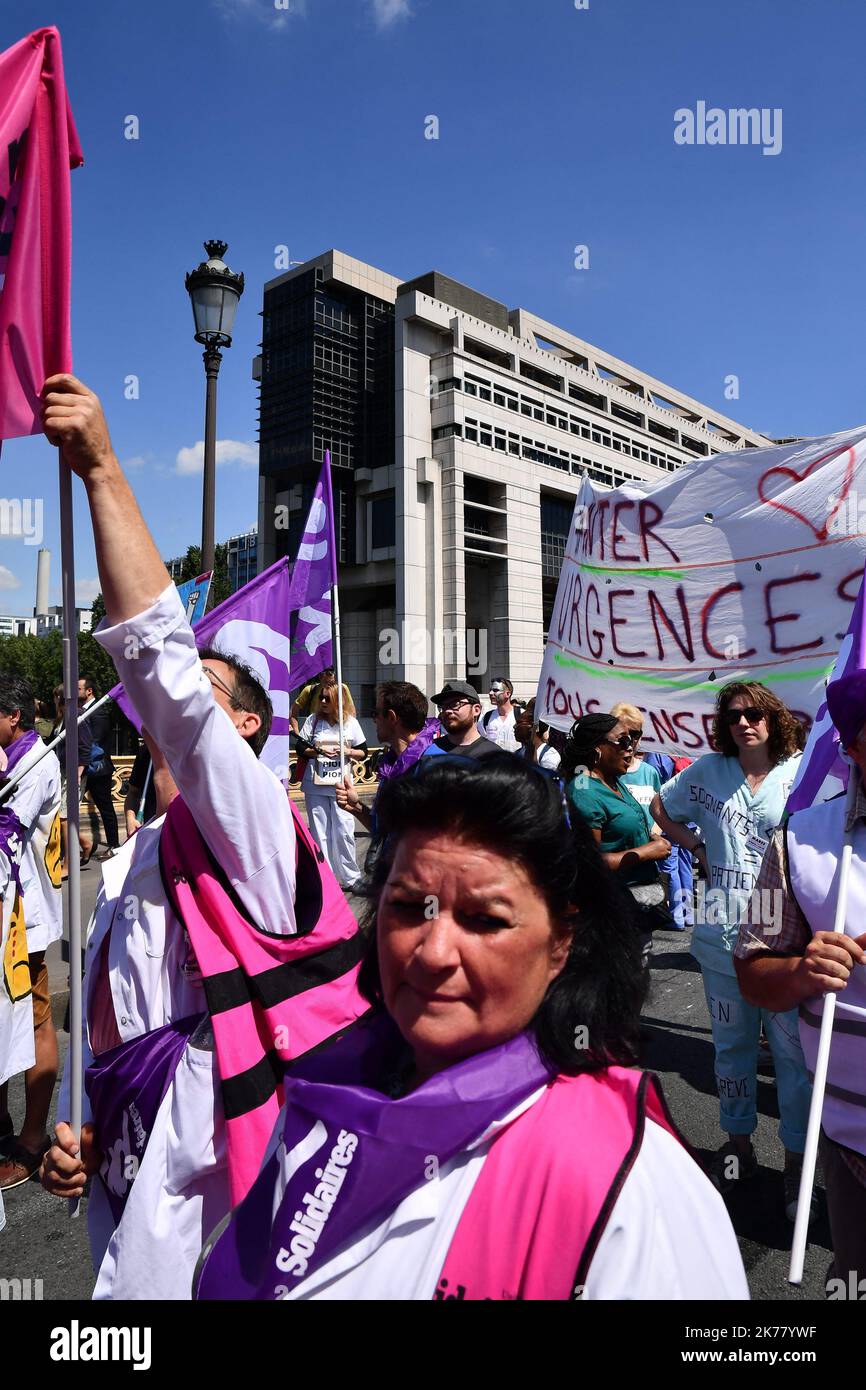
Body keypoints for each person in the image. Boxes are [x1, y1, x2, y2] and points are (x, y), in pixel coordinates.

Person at [37, 373, 369, 1300]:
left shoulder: (258, 829)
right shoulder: (138, 851)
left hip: (237, 1223)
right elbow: (127, 1034)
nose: (170, 710)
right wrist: (86, 1133)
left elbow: (166, 676)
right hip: (131, 1211)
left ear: (249, 730)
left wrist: (103, 467)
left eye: (213, 704)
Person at [194, 755, 748, 1301]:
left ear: (562, 942)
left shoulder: (630, 1183)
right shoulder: (322, 1088)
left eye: (485, 920)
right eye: (410, 907)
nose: (433, 953)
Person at [650, 681, 811, 1209]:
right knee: (732, 1051)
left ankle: (795, 1164)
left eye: (757, 713)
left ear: (774, 718)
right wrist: (693, 842)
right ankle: (738, 1147)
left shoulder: (803, 772)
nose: (746, 723)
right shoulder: (707, 773)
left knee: (792, 1060)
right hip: (721, 935)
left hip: (785, 940)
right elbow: (660, 805)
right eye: (735, 715)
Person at [734, 671, 866, 1270]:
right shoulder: (795, 838)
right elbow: (752, 974)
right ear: (854, 747)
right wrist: (805, 970)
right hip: (853, 1145)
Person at [0, 675, 63, 1189]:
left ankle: (32, 1135)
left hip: (27, 918)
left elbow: (5, 828)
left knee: (38, 1020)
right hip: (4, 913)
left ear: (12, 716)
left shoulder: (37, 761)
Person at [562, 714, 671, 952]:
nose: (631, 746)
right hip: (610, 911)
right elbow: (588, 863)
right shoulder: (585, 792)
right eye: (622, 741)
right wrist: (645, 852)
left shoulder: (612, 780)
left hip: (634, 906)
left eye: (633, 738)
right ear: (597, 749)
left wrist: (647, 837)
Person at [610, 701, 692, 931]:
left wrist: (655, 831)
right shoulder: (609, 772)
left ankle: (675, 916)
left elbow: (657, 805)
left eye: (635, 734)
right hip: (622, 855)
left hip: (651, 853)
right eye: (623, 734)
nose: (630, 741)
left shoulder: (649, 771)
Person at [335, 681, 439, 838]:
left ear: (391, 717)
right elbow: (385, 832)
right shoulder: (391, 764)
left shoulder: (436, 766)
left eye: (375, 713)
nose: (374, 720)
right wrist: (356, 807)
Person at [297, 681, 367, 892]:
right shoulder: (313, 720)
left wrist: (345, 751)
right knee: (320, 833)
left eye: (328, 698)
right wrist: (319, 751)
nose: (323, 701)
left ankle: (351, 878)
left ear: (338, 700)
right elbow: (300, 746)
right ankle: (325, 879)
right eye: (321, 697)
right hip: (315, 784)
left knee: (344, 829)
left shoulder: (351, 723)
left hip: (341, 785)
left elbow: (362, 750)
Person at [78, 677, 119, 861]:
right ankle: (78, 844)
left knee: (106, 809)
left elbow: (96, 742)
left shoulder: (98, 712)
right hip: (85, 768)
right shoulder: (83, 711)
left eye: (78, 688)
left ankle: (114, 846)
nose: (75, 691)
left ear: (89, 691)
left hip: (97, 770)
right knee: (68, 807)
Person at [423, 681, 501, 761]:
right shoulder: (431, 751)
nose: (447, 711)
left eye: (455, 704)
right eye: (444, 706)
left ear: (476, 710)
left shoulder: (494, 756)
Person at [513, 699, 561, 773]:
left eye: (520, 723)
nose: (514, 726)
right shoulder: (518, 754)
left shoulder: (549, 755)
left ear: (533, 728)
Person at [479, 677, 520, 752]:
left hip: (516, 762)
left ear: (507, 694)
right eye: (490, 690)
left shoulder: (521, 715)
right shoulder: (487, 717)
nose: (490, 693)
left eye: (495, 690)